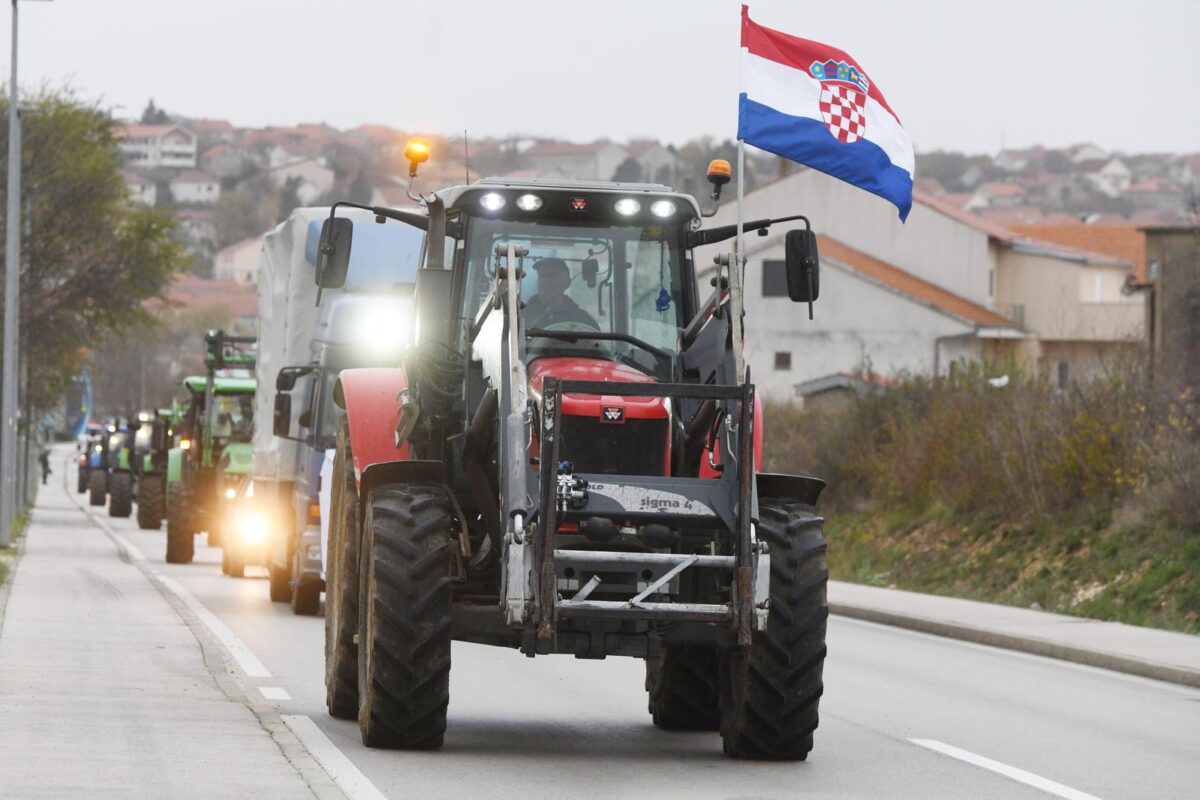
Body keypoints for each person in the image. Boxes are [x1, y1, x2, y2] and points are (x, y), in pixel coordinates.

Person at [524, 258, 599, 330]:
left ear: (567, 283)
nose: (545, 281)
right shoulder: (522, 315)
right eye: (542, 276)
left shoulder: (581, 319)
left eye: (552, 275)